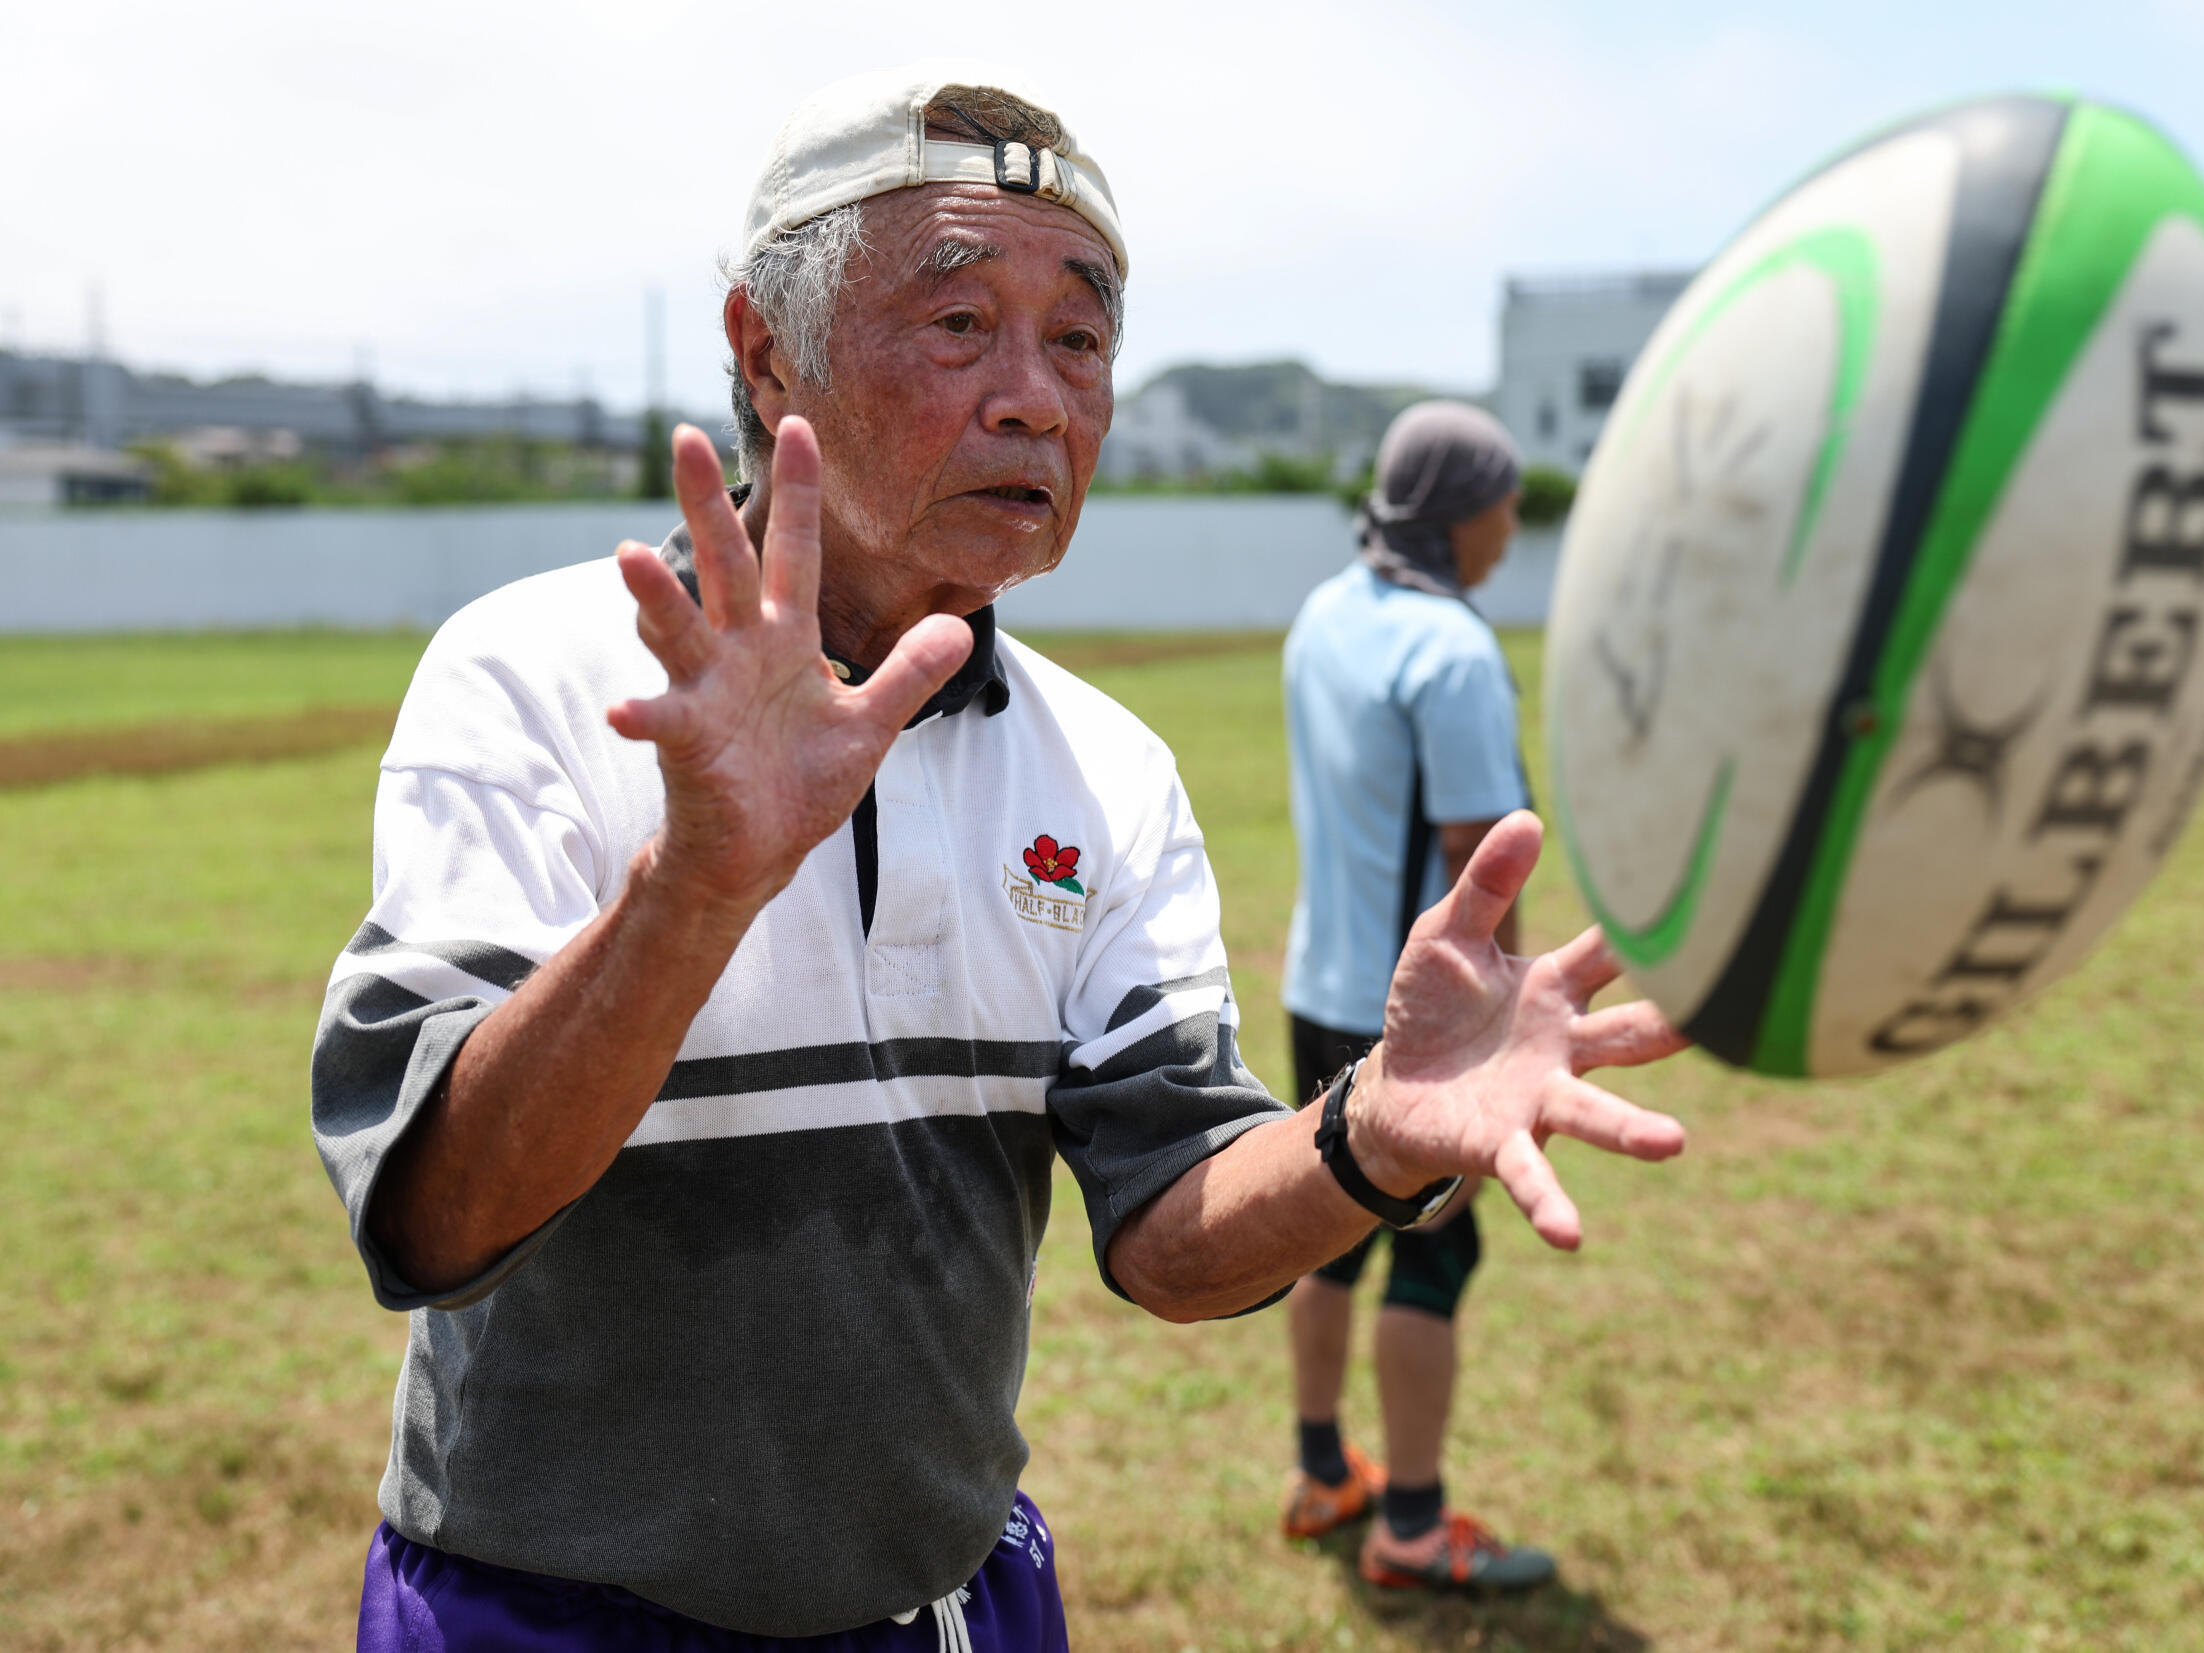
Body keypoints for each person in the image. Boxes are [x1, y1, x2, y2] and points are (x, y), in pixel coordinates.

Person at [314, 63, 1692, 1650]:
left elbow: (1172, 1231)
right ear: (768, 353)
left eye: (1083, 338)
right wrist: (691, 890)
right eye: (959, 323)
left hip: (943, 1605)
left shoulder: (1103, 769)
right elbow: (432, 1217)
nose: (1037, 394)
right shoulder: (541, 677)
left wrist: (1373, 1127)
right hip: (541, 1613)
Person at [1274, 403, 1552, 1590]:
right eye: (1504, 500)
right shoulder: (1451, 652)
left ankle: (1320, 1469)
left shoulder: (1324, 614)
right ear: (1460, 513)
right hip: (1420, 1020)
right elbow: (1479, 866)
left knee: (1325, 1236)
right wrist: (1506, 1042)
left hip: (1317, 984)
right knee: (1431, 1258)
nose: (1512, 525)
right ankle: (1411, 1525)